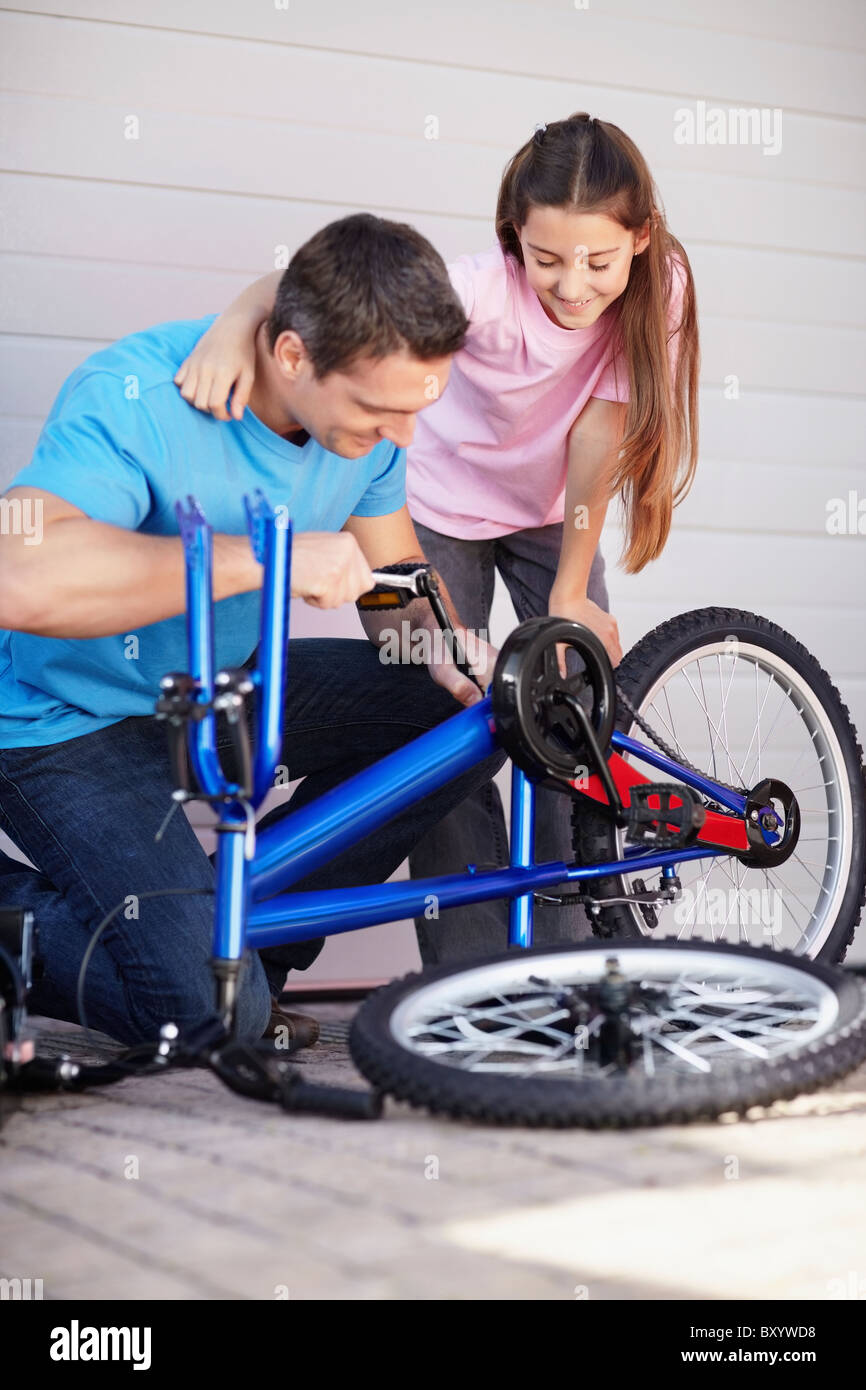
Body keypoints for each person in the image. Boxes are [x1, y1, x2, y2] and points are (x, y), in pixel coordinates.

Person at [174, 111, 700, 964]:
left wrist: (571, 584)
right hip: (435, 506)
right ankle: (476, 968)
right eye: (546, 258)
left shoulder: (659, 284)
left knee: (567, 707)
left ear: (640, 238)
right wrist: (238, 322)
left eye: (598, 261)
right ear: (512, 238)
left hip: (551, 504)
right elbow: (321, 295)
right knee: (444, 703)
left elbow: (602, 429)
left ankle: (573, 957)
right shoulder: (479, 287)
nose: (572, 286)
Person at [0, 213, 503, 1047]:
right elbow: (18, 577)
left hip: (210, 696)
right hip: (61, 722)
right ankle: (209, 979)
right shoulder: (138, 398)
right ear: (293, 356)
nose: (405, 437)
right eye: (381, 411)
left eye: (419, 409)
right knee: (199, 1012)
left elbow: (394, 590)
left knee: (461, 720)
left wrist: (444, 646)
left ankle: (246, 959)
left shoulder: (372, 423)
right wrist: (266, 559)